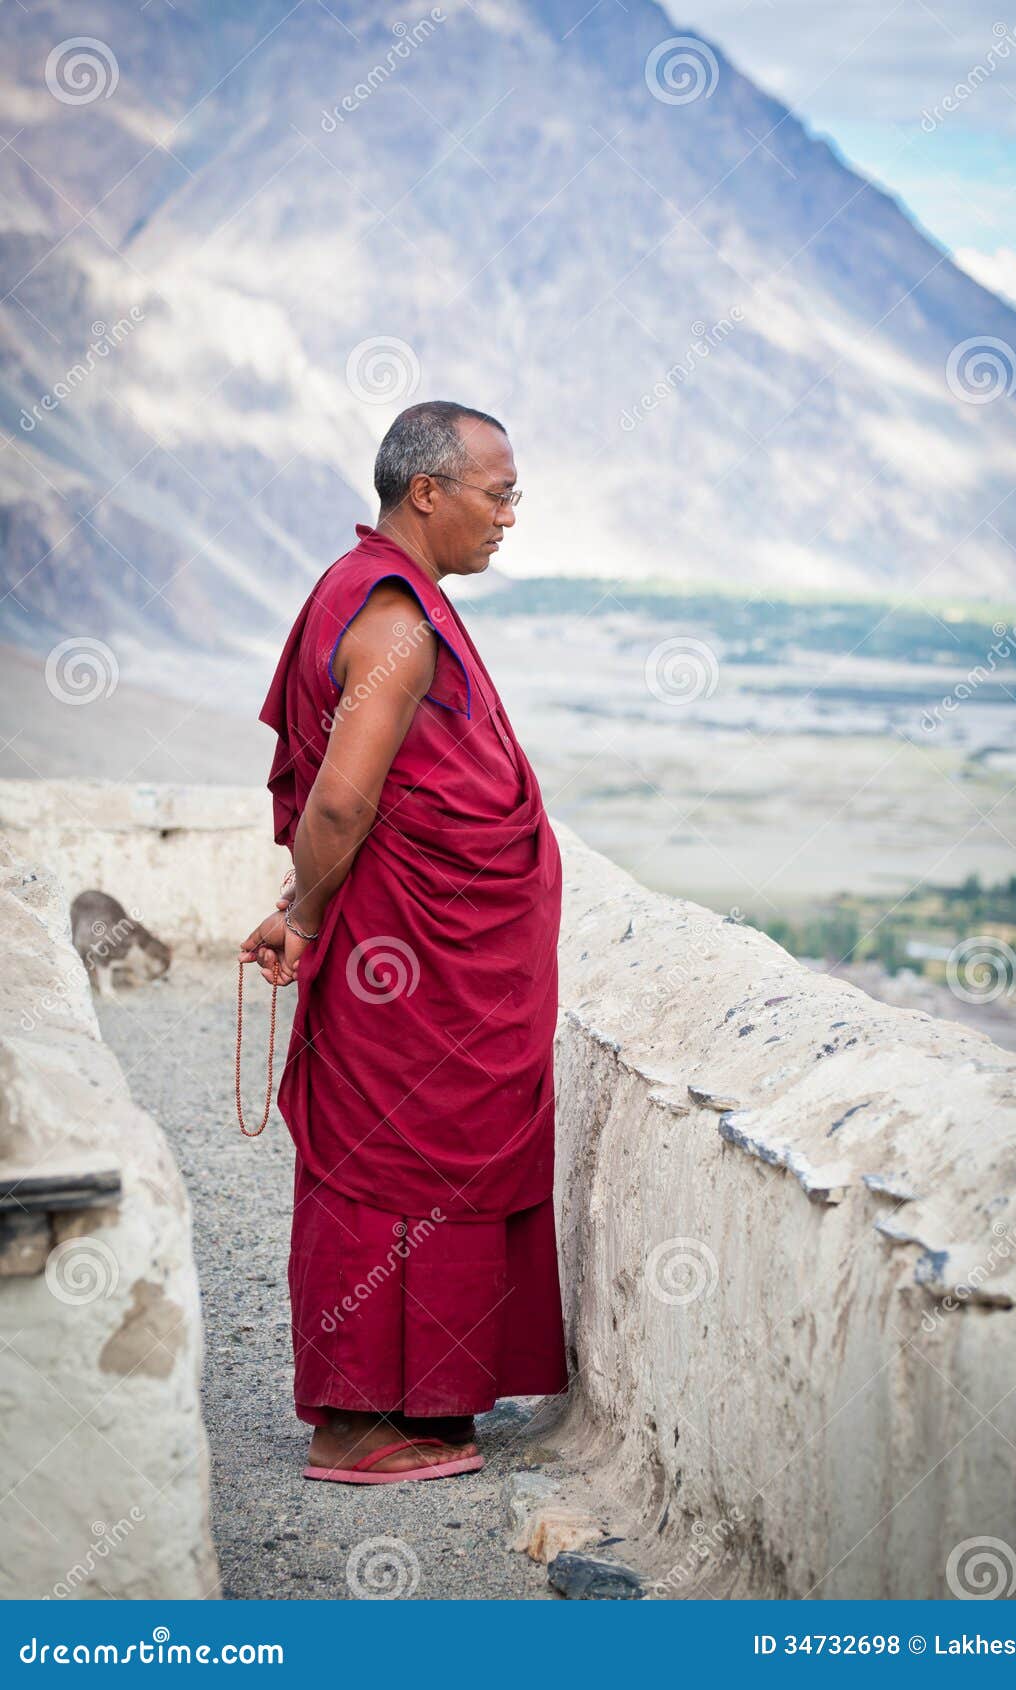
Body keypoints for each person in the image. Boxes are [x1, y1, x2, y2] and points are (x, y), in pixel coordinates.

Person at [239, 401, 569, 1483]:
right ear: (426, 491)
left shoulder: (383, 595)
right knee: (391, 1169)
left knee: (414, 1171)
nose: (511, 516)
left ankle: (417, 1405)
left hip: (425, 958)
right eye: (500, 492)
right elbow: (340, 804)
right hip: (410, 969)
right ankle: (354, 1421)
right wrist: (302, 916)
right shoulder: (392, 623)